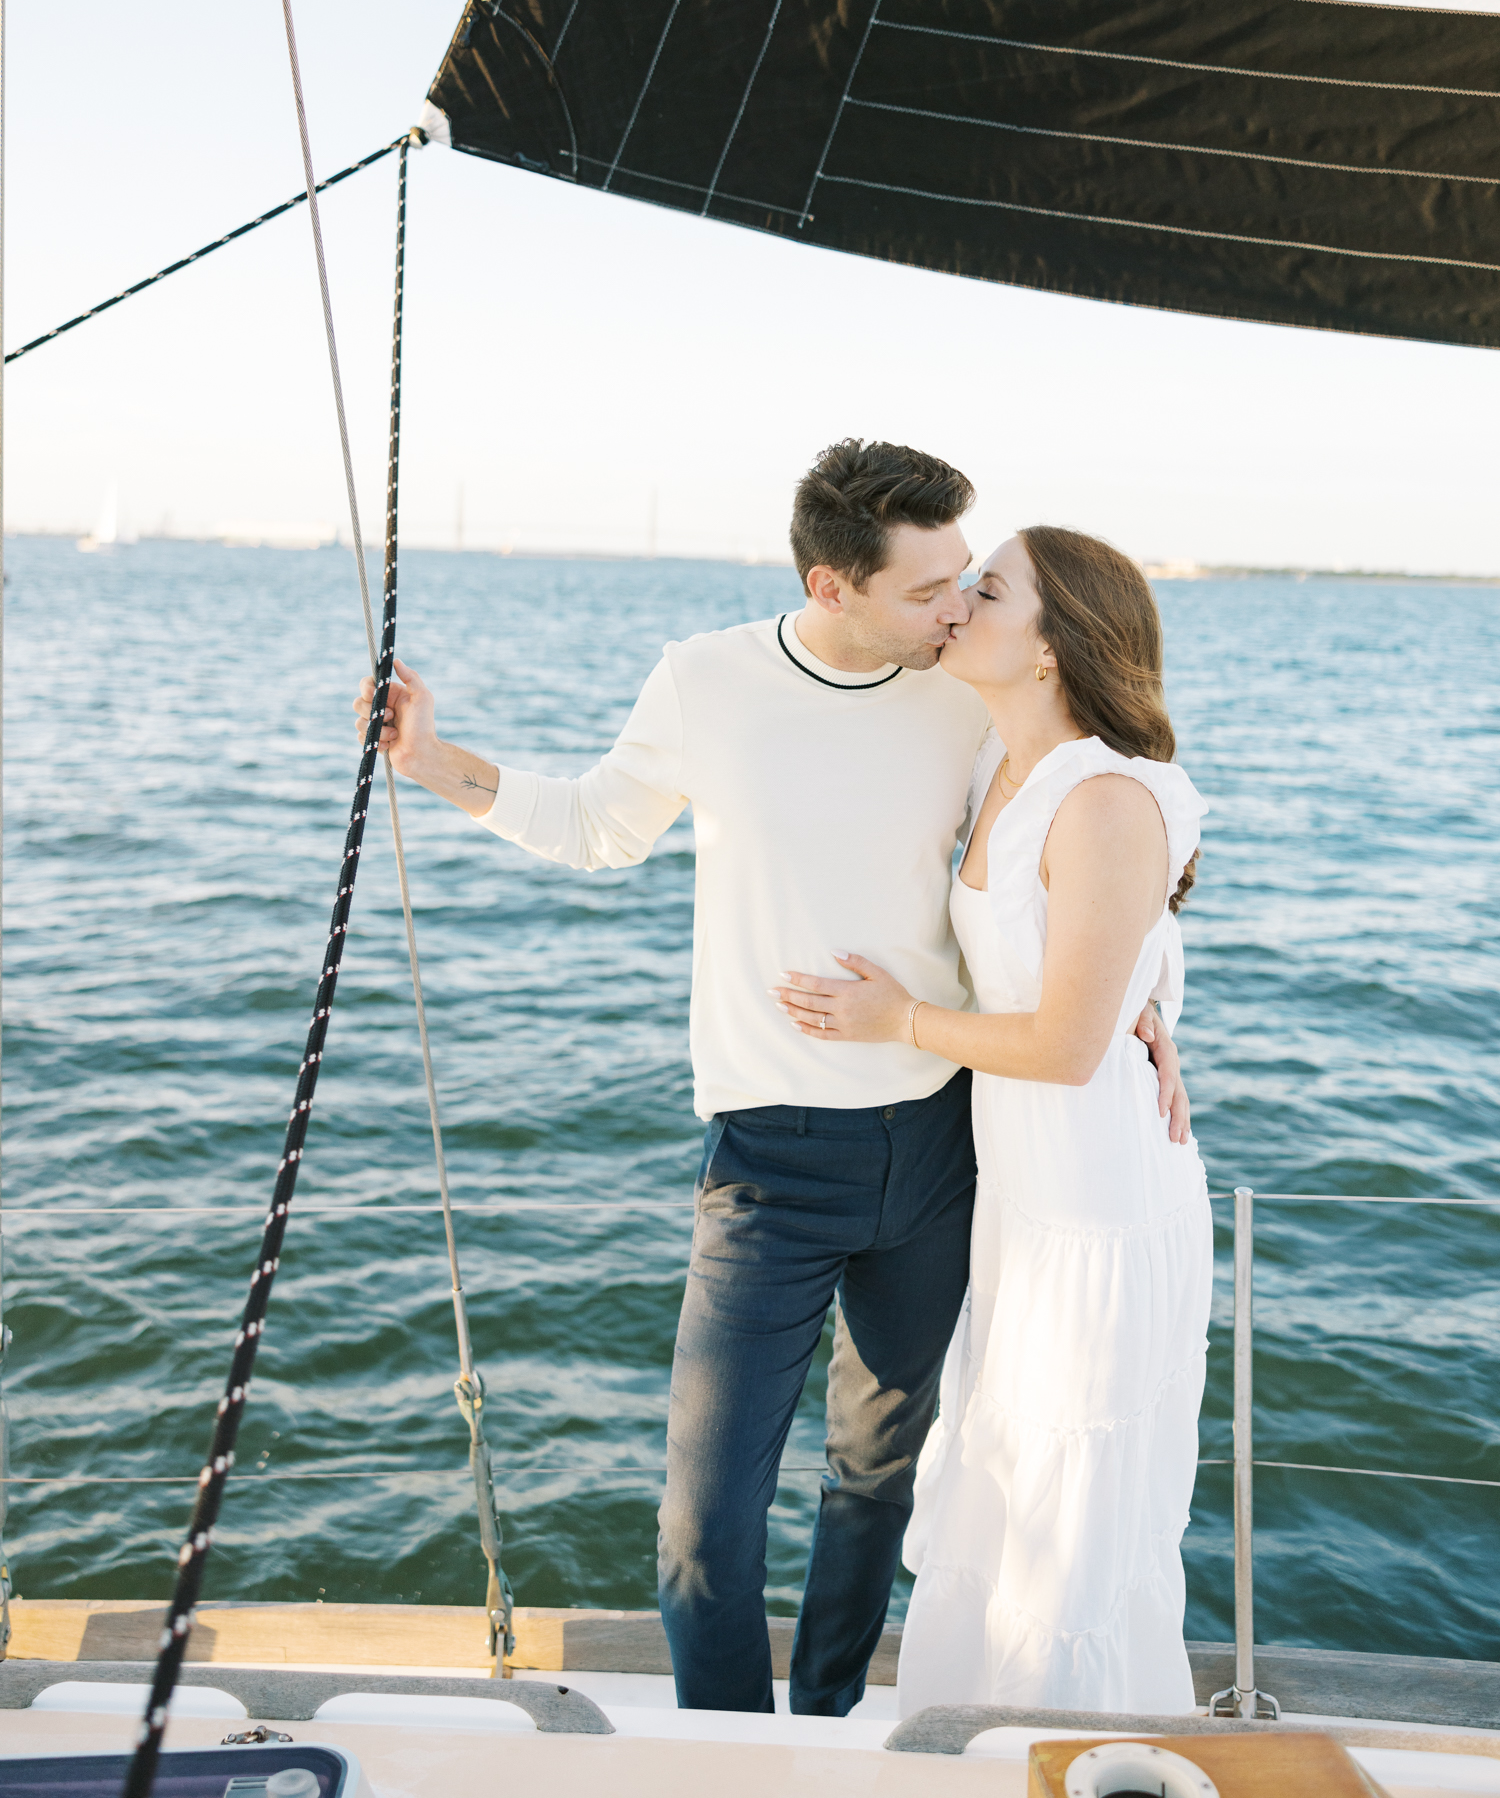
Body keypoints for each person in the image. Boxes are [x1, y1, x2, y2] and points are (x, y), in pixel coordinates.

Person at [353, 446, 1190, 1718]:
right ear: (832, 583)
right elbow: (595, 824)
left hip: (947, 1144)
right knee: (702, 1521)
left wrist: (1145, 1003)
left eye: (969, 585)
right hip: (771, 1159)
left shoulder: (968, 691)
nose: (956, 609)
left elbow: (1077, 848)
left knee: (875, 1478)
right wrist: (430, 760)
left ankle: (831, 1717)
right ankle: (730, 1747)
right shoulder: (709, 678)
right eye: (929, 590)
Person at [775, 525, 1214, 1716]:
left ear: (1054, 646)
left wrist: (900, 1019)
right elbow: (1104, 953)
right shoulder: (995, 764)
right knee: (1007, 1503)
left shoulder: (1102, 796)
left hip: (1099, 1207)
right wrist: (1157, 1001)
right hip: (1020, 1202)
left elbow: (1070, 1045)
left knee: (1064, 1539)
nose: (959, 601)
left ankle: (1063, 1750)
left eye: (989, 587)